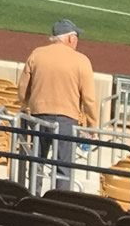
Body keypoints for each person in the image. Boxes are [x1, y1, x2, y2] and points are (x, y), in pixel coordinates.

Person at [16, 19, 97, 190]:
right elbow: (89, 98)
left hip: (39, 117)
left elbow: (23, 88)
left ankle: (32, 197)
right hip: (67, 120)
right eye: (76, 37)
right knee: (63, 168)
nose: (77, 41)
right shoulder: (81, 60)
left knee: (37, 162)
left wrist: (25, 106)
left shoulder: (37, 54)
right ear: (69, 38)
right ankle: (59, 204)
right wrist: (92, 126)